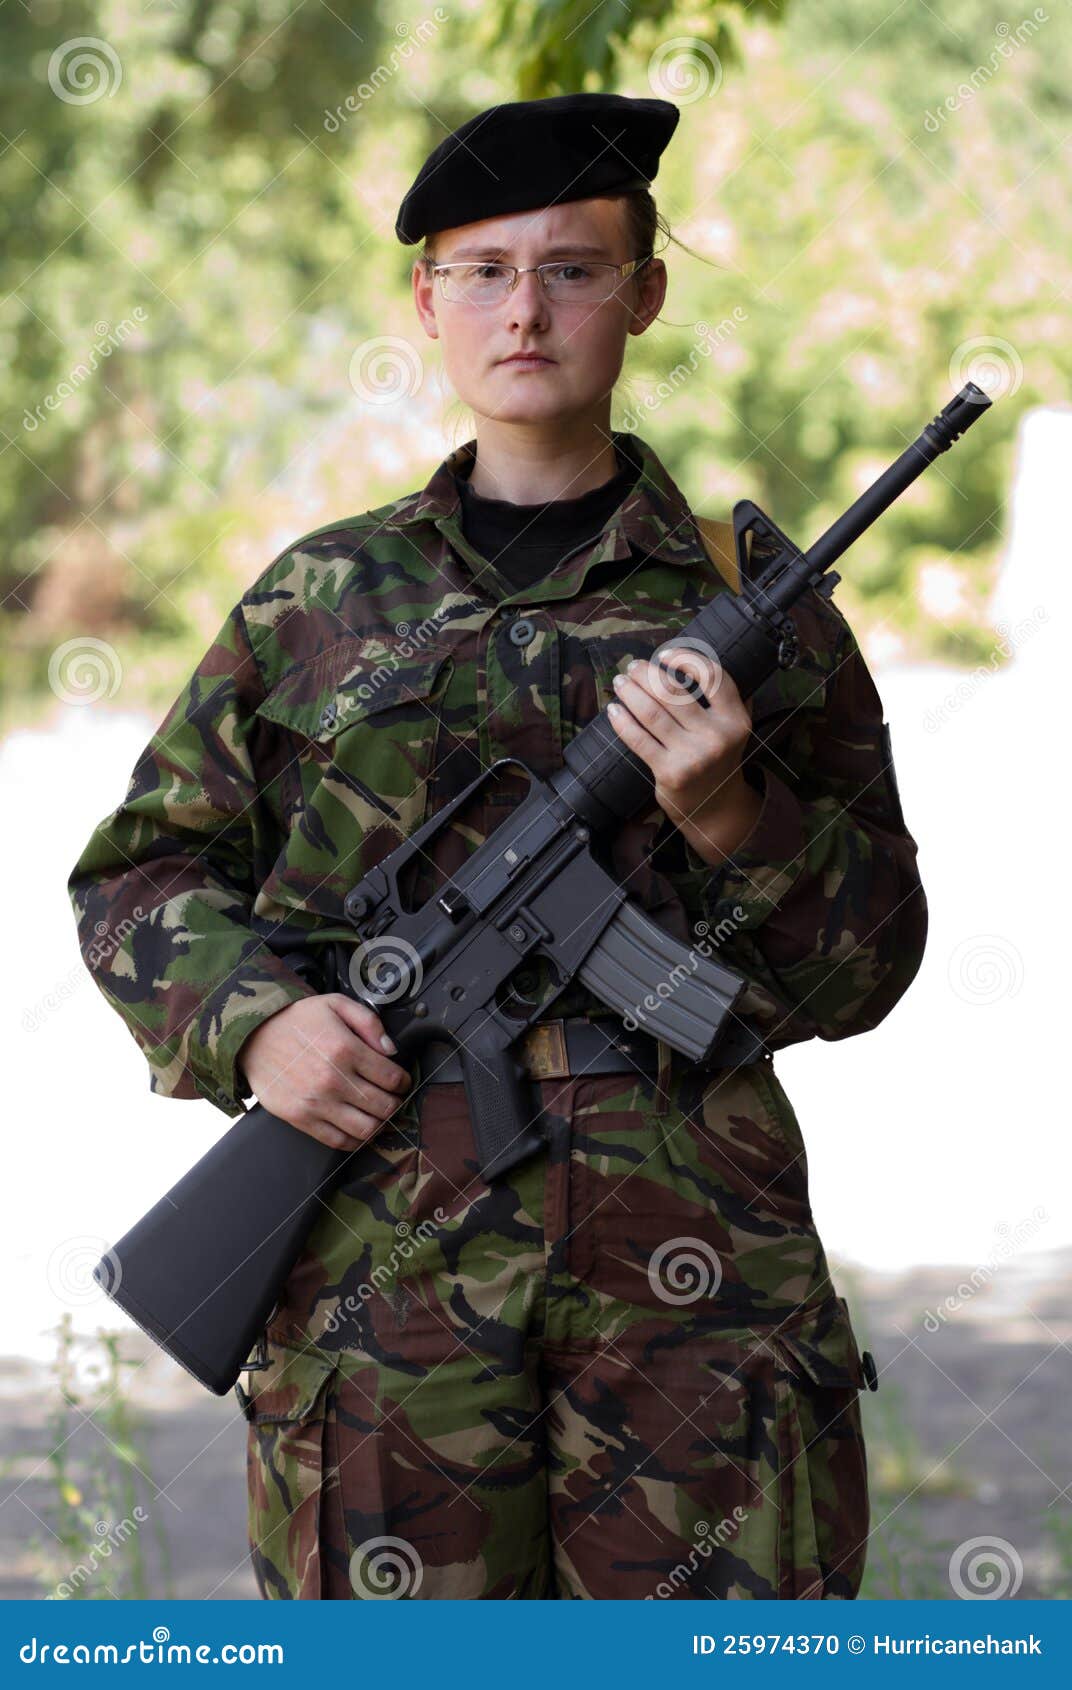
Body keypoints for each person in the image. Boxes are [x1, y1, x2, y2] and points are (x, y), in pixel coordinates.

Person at [68, 93, 927, 1600]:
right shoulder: (315, 601)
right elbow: (138, 876)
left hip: (699, 1318)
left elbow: (870, 961)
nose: (524, 308)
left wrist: (735, 817)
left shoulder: (753, 607)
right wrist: (257, 1026)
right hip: (382, 1321)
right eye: (483, 270)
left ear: (645, 294)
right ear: (428, 301)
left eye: (574, 267)